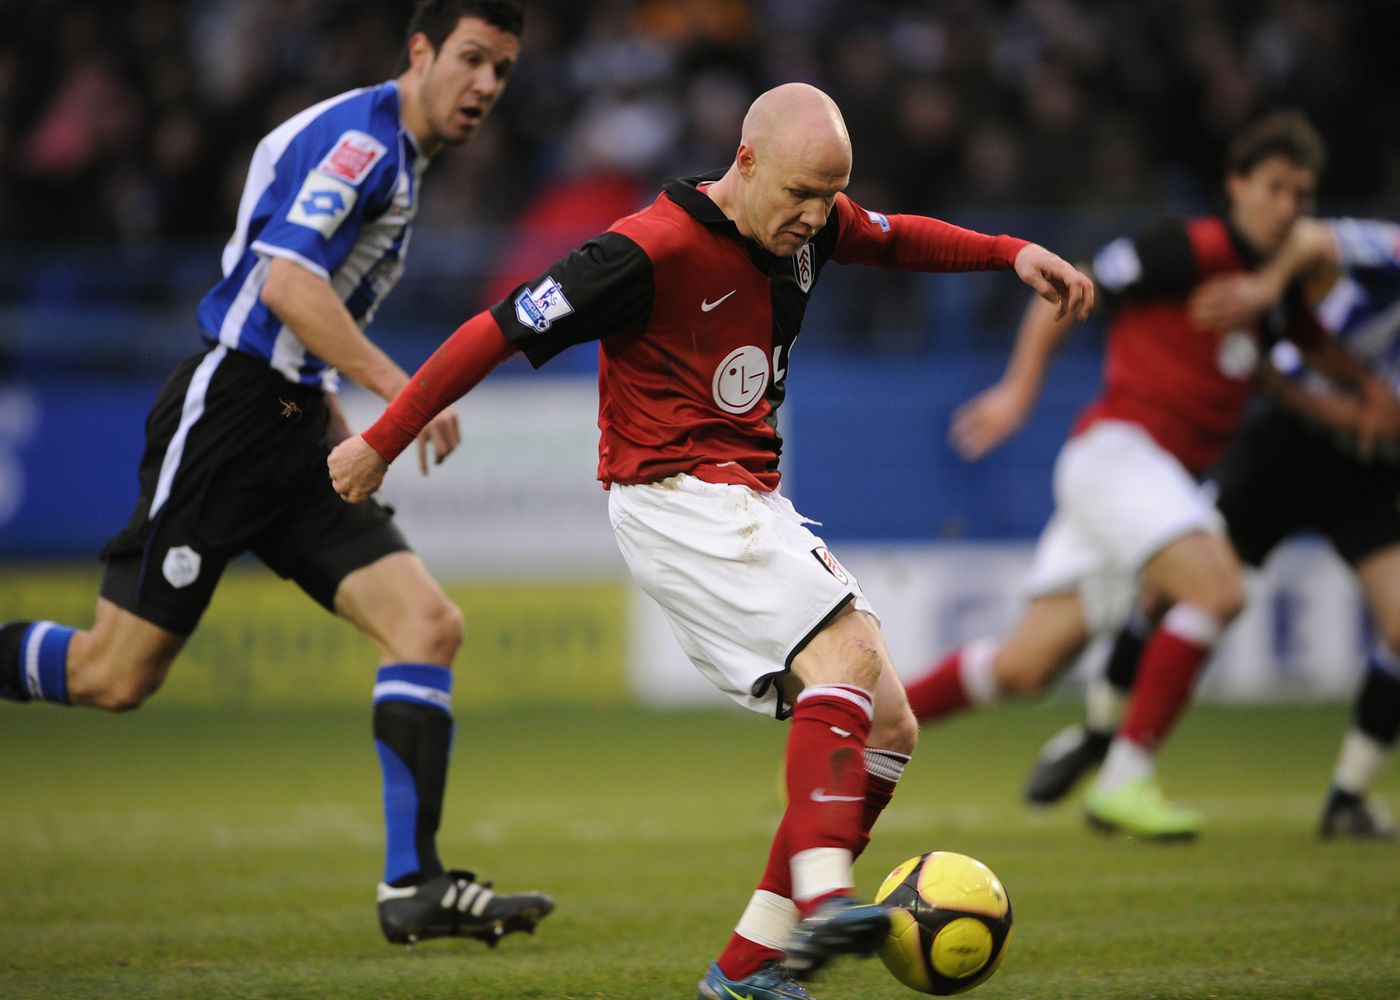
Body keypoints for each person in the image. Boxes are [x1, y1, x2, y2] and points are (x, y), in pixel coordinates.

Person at [327, 82, 1093, 1000]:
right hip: (673, 494)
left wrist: (1012, 254)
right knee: (846, 653)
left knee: (890, 723)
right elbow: (493, 333)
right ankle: (821, 905)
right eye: (802, 194)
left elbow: (892, 236)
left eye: (830, 197)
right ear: (745, 162)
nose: (817, 218)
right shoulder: (644, 251)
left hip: (742, 498)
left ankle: (745, 973)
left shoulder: (809, 222)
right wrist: (382, 437)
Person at [0, 0, 555, 948]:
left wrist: (337, 413)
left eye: (500, 71)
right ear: (418, 51)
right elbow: (288, 285)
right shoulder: (365, 145)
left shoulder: (397, 154)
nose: (485, 88)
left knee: (426, 625)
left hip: (295, 425)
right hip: (231, 419)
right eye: (470, 61)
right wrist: (404, 394)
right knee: (114, 675)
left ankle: (412, 888)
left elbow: (305, 302)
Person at [900, 111, 1400, 840]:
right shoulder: (1185, 248)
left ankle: (865, 725)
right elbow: (1067, 292)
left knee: (1024, 668)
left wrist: (1365, 392)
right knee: (1217, 590)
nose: (1288, 206)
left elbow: (1316, 358)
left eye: (1301, 194)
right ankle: (1126, 780)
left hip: (1152, 484)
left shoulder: (1274, 295)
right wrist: (1017, 391)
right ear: (1236, 186)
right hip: (1119, 456)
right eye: (1275, 188)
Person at [1023, 215, 1400, 840]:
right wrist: (1266, 287)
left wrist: (1337, 402)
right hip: (1283, 450)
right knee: (1178, 590)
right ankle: (1100, 734)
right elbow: (1307, 236)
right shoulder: (1390, 252)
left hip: (1361, 473)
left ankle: (1348, 797)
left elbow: (1383, 428)